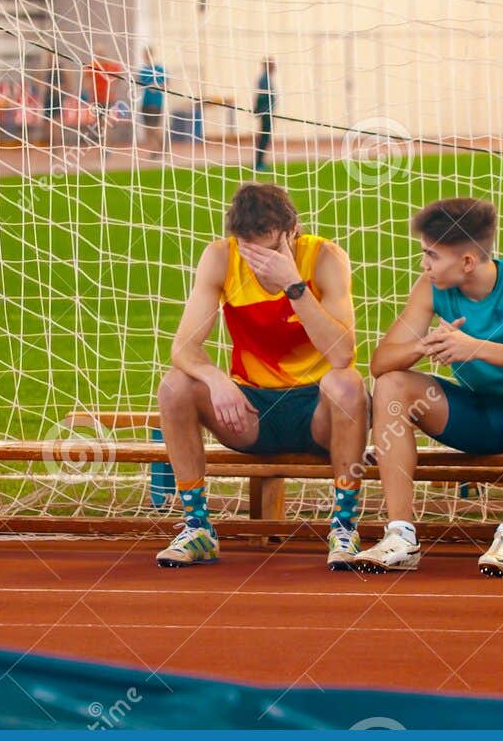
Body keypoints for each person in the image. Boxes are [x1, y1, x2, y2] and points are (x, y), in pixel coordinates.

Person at [355, 198, 503, 578]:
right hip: (481, 417)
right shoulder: (430, 288)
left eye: (432, 255)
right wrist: (421, 346)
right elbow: (380, 363)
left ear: (467, 262)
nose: (423, 264)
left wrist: (475, 348)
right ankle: (400, 536)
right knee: (393, 383)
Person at [154, 182, 368, 569]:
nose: (259, 262)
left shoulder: (324, 257)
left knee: (348, 383)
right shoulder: (220, 258)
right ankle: (198, 527)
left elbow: (342, 354)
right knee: (174, 385)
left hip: (317, 412)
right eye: (249, 250)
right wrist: (217, 380)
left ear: (292, 231)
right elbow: (183, 347)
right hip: (251, 412)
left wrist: (293, 285)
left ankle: (343, 525)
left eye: (270, 250)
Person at [82, 50, 122, 145]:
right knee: (99, 123)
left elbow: (119, 76)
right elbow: (85, 78)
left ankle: (106, 145)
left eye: (101, 54)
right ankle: (103, 144)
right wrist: (88, 91)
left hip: (108, 98)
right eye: (97, 54)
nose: (99, 56)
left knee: (106, 122)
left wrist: (114, 89)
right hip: (97, 98)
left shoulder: (110, 66)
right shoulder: (93, 66)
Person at [135, 48, 169, 156]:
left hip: (157, 102)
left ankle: (158, 148)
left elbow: (166, 84)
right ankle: (156, 148)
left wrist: (156, 87)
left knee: (154, 127)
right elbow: (139, 84)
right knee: (147, 128)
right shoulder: (143, 70)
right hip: (145, 102)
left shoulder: (159, 69)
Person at [252, 58, 275, 171]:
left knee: (265, 138)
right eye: (272, 65)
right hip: (265, 112)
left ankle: (260, 162)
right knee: (264, 138)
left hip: (267, 112)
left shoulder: (267, 78)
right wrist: (258, 109)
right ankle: (258, 164)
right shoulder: (264, 79)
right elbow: (261, 96)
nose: (274, 67)